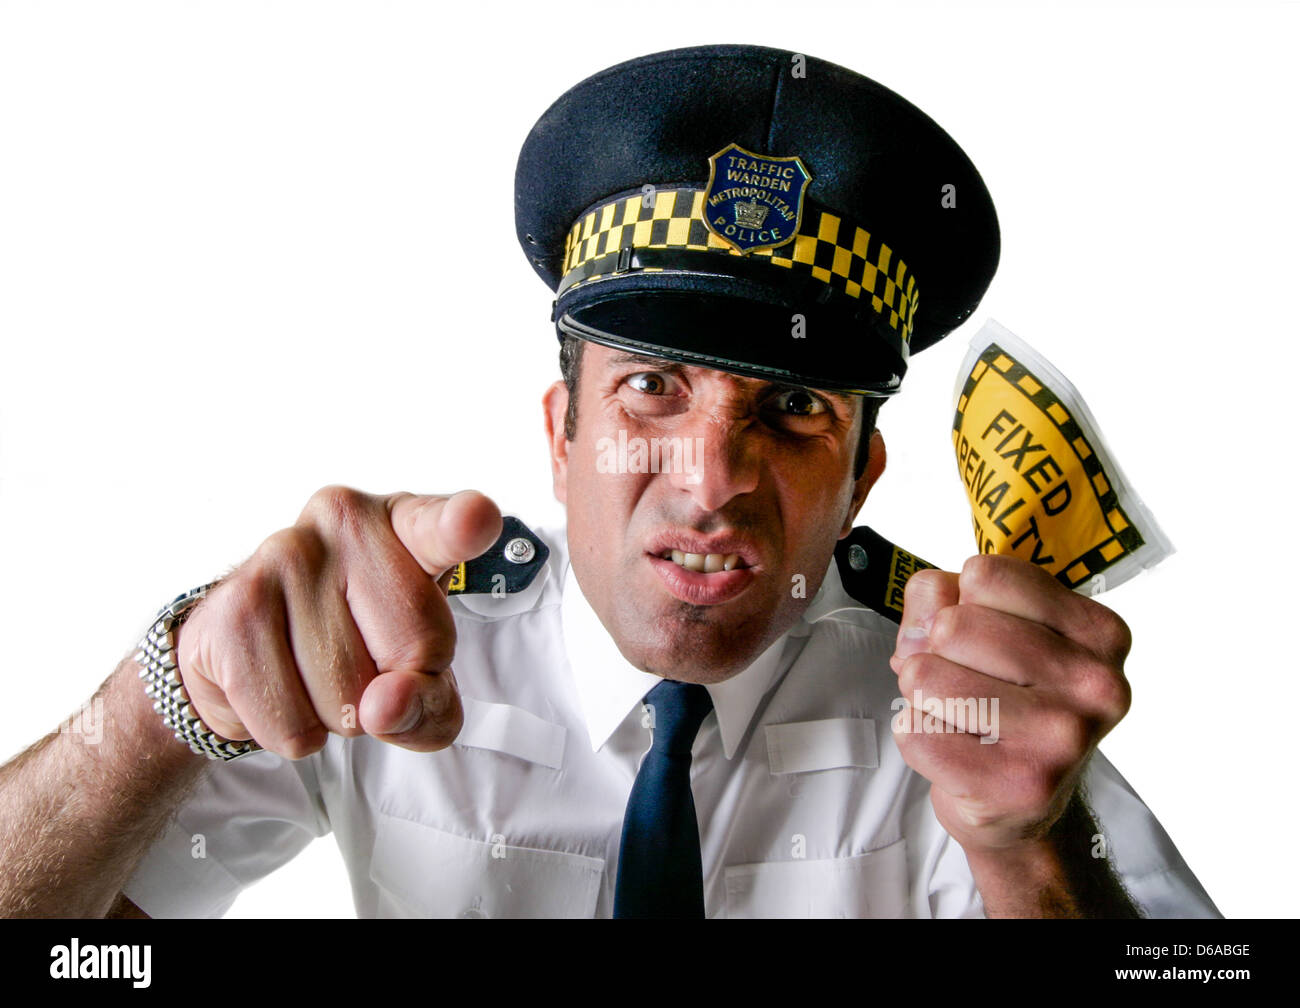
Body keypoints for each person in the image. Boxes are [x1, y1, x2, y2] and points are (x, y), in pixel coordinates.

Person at [0, 44, 1218, 918]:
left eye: (792, 409)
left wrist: (1029, 856)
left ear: (862, 478)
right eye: (651, 390)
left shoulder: (965, 707)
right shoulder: (392, 649)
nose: (711, 480)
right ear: (559, 431)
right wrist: (155, 710)